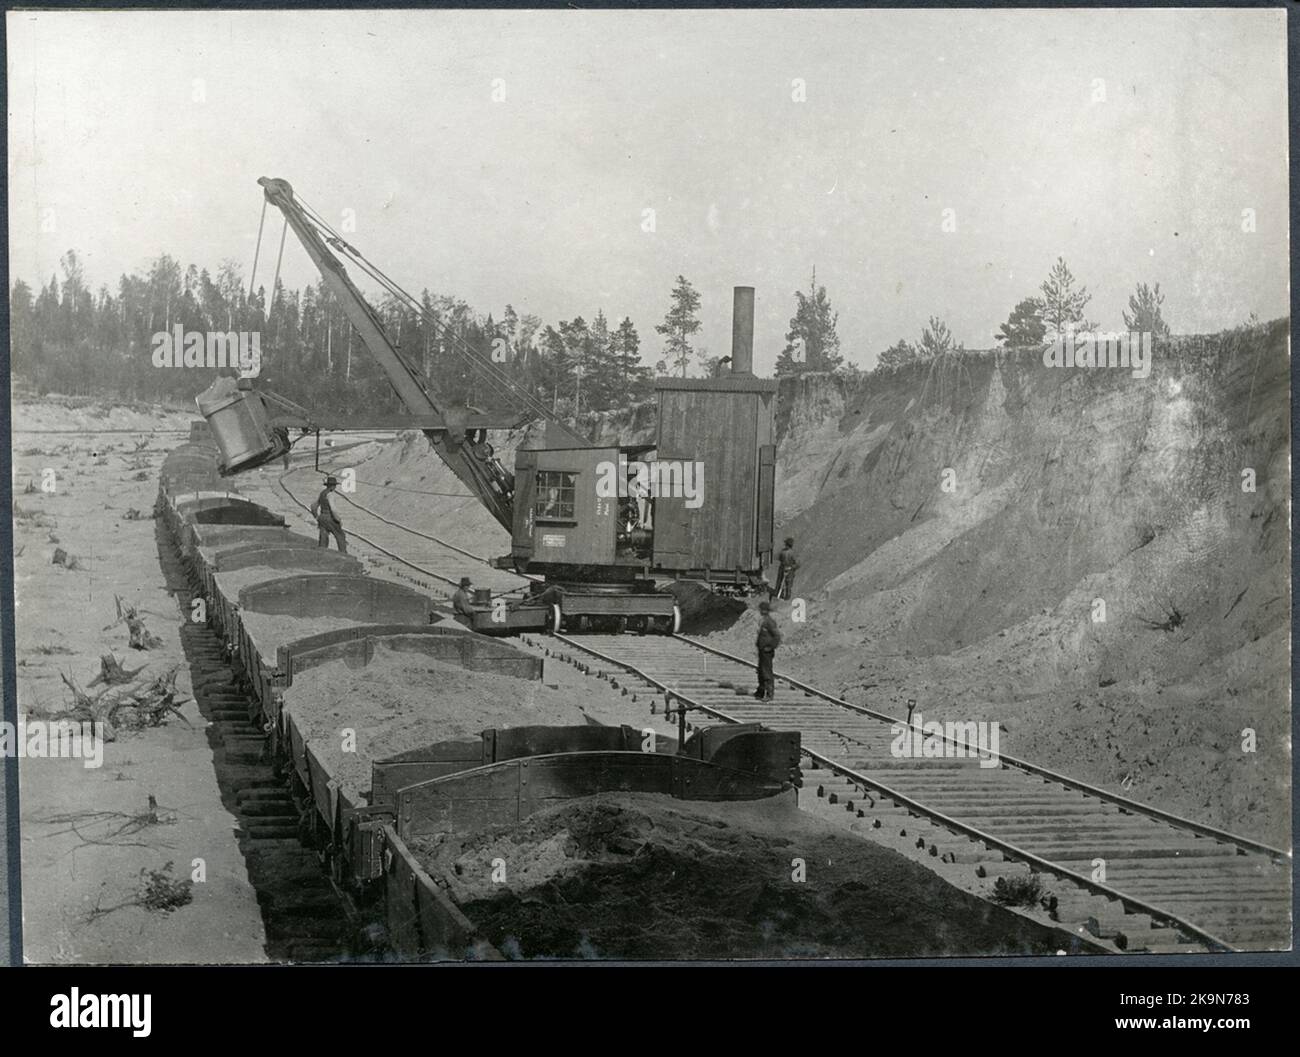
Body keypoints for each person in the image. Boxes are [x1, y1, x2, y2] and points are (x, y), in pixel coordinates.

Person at [310, 476, 347, 553]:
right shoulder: (330, 495)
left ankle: (322, 553)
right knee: (340, 535)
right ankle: (343, 554)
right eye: (335, 485)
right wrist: (338, 520)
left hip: (322, 517)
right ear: (332, 486)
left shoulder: (322, 493)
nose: (335, 487)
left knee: (323, 537)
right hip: (329, 517)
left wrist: (317, 517)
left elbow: (313, 506)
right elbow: (333, 509)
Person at [754, 600, 781, 700]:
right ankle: (760, 692)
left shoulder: (769, 622)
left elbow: (777, 636)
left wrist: (770, 647)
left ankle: (769, 693)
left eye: (762, 610)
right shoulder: (764, 621)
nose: (760, 611)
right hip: (762, 650)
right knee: (761, 671)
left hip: (767, 651)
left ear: (765, 611)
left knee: (766, 672)